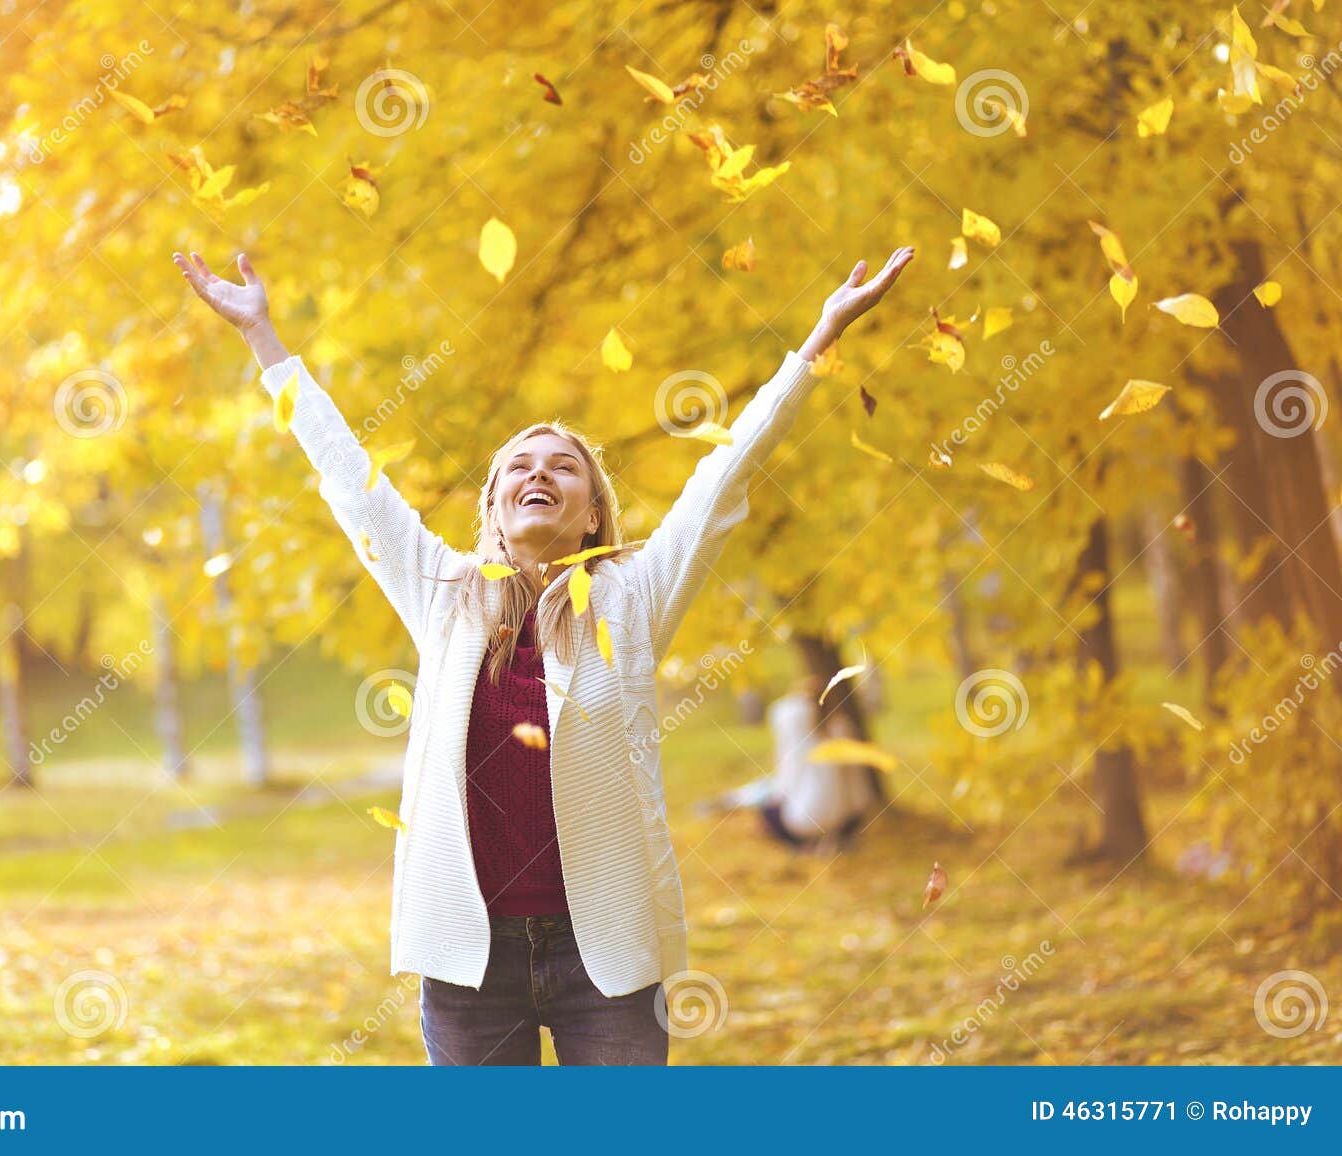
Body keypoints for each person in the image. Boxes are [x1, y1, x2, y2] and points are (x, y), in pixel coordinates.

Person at [172, 244, 914, 1065]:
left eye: (565, 467)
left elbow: (724, 476)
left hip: (608, 955)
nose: (541, 473)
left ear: (593, 513)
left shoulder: (633, 599)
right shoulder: (443, 594)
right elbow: (351, 482)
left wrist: (819, 339)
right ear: (492, 507)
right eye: (519, 466)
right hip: (468, 958)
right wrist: (265, 343)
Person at [758, 689, 879, 852]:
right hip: (845, 820)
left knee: (767, 809)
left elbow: (787, 782)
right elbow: (858, 785)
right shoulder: (842, 729)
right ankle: (832, 839)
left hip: (805, 822)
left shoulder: (800, 738)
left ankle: (804, 845)